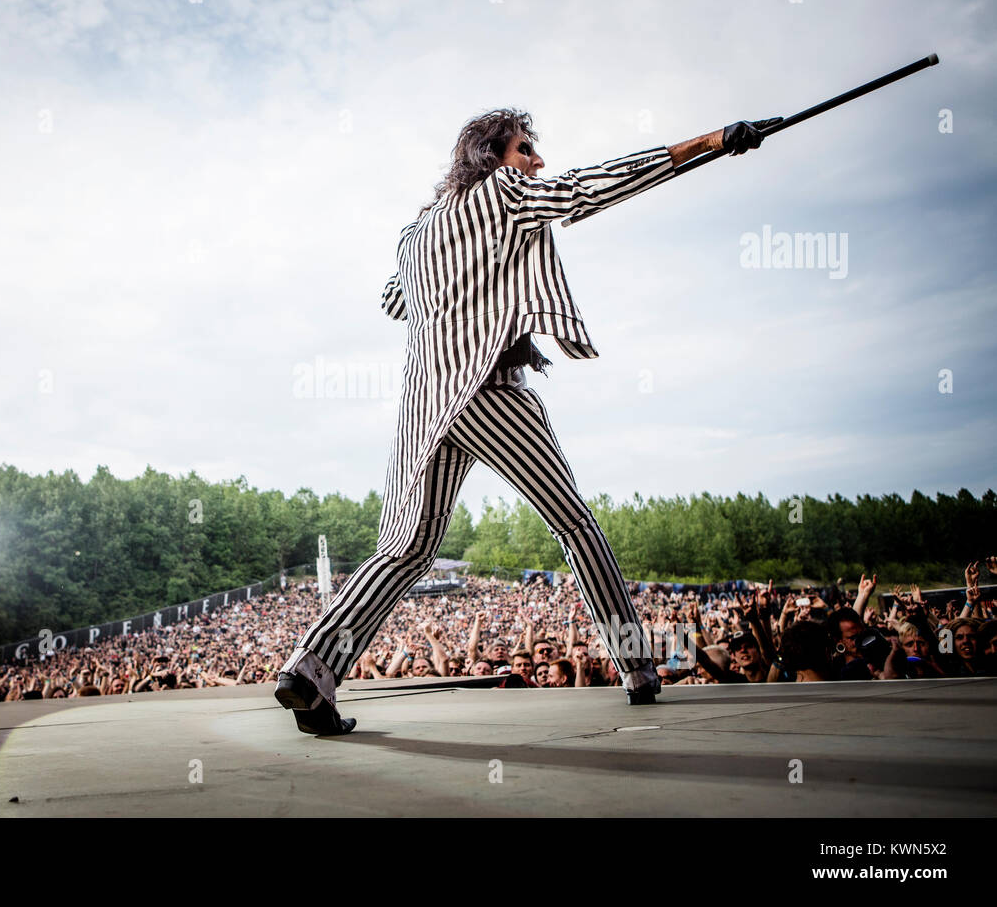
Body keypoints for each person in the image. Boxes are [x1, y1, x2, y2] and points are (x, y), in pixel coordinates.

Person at [276, 108, 779, 734]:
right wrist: (712, 141)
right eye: (524, 150)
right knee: (575, 524)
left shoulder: (417, 235)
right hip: (488, 391)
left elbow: (393, 297)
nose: (536, 161)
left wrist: (470, 294)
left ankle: (311, 670)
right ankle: (636, 666)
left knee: (403, 551)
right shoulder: (505, 196)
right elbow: (591, 188)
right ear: (491, 158)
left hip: (423, 408)